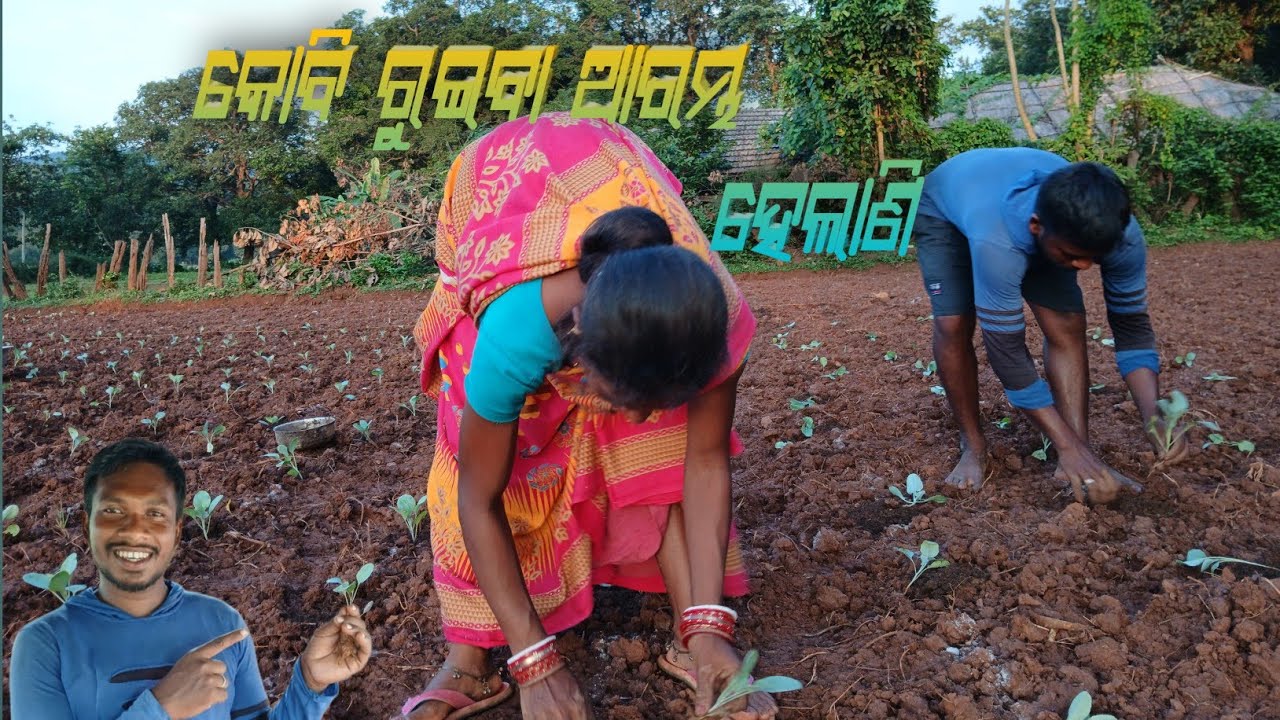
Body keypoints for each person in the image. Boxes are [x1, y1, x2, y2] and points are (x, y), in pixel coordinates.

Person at [399, 112, 776, 720]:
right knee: (498, 467)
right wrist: (536, 665)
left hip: (608, 184)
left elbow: (704, 460)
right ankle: (468, 666)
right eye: (626, 396)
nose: (650, 414)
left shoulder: (714, 319)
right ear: (578, 353)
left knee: (657, 442)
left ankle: (700, 640)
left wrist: (714, 629)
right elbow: (477, 497)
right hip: (496, 203)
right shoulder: (515, 332)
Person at [9, 438, 373, 719]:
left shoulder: (221, 623)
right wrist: (161, 706)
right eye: (113, 511)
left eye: (155, 514)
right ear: (87, 522)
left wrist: (310, 682)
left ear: (178, 531)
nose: (135, 531)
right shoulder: (45, 645)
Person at [912, 147, 1189, 504]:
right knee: (953, 323)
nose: (1083, 267)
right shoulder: (998, 242)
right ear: (1036, 227)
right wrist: (1065, 444)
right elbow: (1008, 355)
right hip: (945, 206)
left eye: (1094, 257)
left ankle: (1076, 458)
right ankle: (974, 445)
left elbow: (1132, 327)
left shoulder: (1120, 235)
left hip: (1030, 220)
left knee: (1067, 326)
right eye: (1072, 257)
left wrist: (1155, 415)